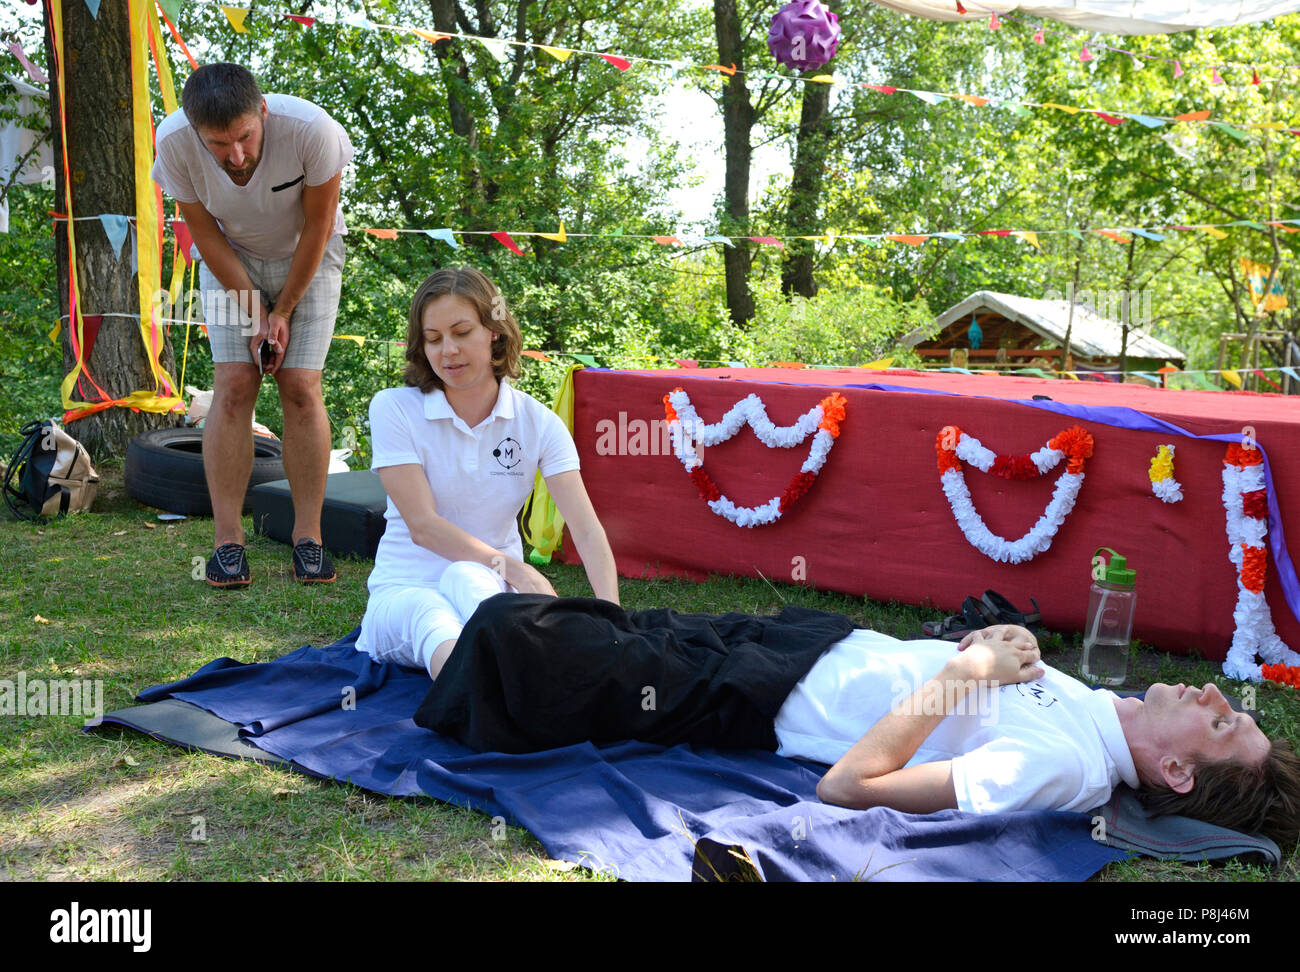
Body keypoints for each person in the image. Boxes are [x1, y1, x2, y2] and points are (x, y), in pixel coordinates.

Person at [411, 594, 1300, 844]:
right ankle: (426, 624)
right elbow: (988, 676)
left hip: (750, 696)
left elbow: (852, 785)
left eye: (1223, 725)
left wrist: (966, 668)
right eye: (1232, 708)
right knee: (577, 619)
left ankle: (418, 637)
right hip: (802, 640)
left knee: (508, 633)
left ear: (1177, 774)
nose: (1216, 697)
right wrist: (995, 642)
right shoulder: (1098, 714)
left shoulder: (1065, 770)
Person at [355, 266, 620, 678]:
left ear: (494, 331)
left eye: (461, 332)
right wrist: (518, 570)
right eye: (433, 339)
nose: (448, 351)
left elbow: (586, 530)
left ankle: (522, 684)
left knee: (470, 578)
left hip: (491, 589)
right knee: (432, 614)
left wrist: (614, 622)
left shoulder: (539, 422)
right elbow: (424, 527)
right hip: (406, 591)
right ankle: (479, 693)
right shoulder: (394, 407)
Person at [151, 63, 353, 588]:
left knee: (301, 387)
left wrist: (281, 312)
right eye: (219, 143)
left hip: (309, 256)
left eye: (244, 137)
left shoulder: (314, 132)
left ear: (263, 112)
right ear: (197, 132)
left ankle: (308, 539)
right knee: (236, 384)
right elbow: (205, 235)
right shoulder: (172, 143)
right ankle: (227, 544)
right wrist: (254, 311)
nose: (236, 156)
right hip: (228, 261)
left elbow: (319, 224)